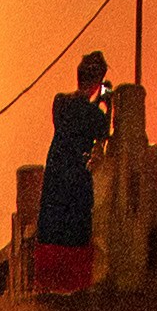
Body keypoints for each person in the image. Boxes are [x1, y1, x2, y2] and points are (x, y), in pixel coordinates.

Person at [27, 54, 116, 294]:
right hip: (78, 170)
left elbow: (75, 115)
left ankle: (47, 282)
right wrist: (107, 105)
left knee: (53, 218)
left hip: (57, 166)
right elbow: (102, 133)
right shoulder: (94, 114)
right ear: (98, 81)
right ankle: (73, 284)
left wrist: (95, 103)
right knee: (75, 222)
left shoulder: (60, 102)